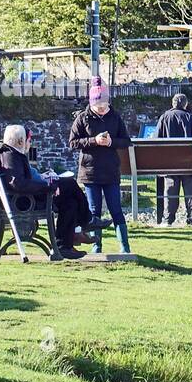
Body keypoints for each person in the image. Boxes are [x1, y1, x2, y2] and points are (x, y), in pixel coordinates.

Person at [0, 124, 97, 260]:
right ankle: (86, 220)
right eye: (28, 140)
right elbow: (19, 184)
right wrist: (48, 186)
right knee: (69, 183)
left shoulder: (11, 154)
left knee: (70, 202)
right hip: (23, 202)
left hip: (26, 198)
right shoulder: (10, 156)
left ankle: (64, 246)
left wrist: (45, 180)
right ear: (20, 141)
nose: (30, 144)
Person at [69, 77, 133, 254]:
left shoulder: (115, 117)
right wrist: (94, 141)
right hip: (90, 172)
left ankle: (125, 246)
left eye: (105, 104)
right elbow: (73, 142)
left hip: (111, 171)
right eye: (99, 106)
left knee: (116, 209)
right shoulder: (83, 118)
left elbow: (126, 141)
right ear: (92, 104)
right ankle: (96, 245)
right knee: (94, 211)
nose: (103, 108)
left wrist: (112, 142)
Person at [154, 92, 192, 226]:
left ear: (173, 103)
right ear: (185, 104)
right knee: (191, 190)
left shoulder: (164, 117)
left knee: (170, 190)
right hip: (188, 163)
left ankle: (168, 219)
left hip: (170, 163)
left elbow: (156, 140)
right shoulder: (190, 117)